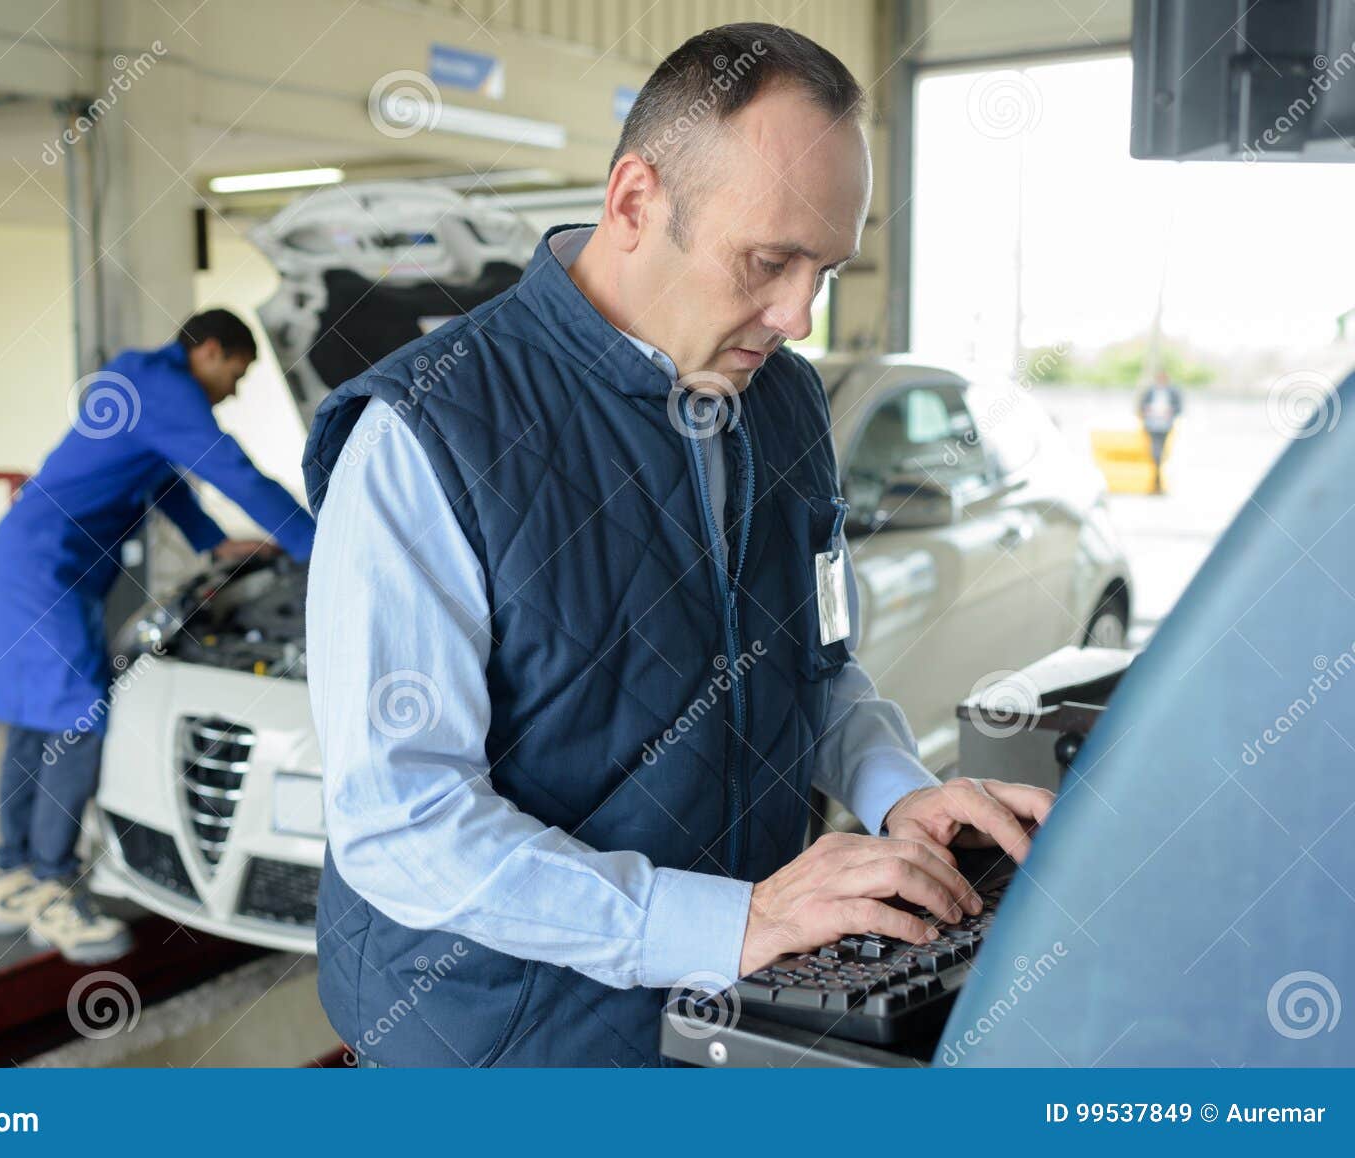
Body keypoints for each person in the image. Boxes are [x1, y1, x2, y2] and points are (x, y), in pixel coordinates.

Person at [302, 23, 1054, 1066]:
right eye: (768, 260)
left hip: (723, 1016)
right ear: (633, 203)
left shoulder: (781, 401)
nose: (796, 312)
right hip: (495, 1046)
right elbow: (404, 822)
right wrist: (731, 924)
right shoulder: (427, 432)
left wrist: (897, 791)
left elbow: (816, 666)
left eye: (824, 269)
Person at [0, 309, 314, 963]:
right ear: (209, 351)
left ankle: (12, 878)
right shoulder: (166, 390)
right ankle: (50, 888)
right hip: (48, 572)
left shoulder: (141, 382)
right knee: (77, 720)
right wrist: (319, 547)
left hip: (28, 556)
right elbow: (235, 471)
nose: (233, 391)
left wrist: (213, 543)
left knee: (34, 724)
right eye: (235, 375)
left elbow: (164, 479)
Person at [1138, 370, 1183, 493]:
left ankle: (1158, 483)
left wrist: (1170, 411)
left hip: (1165, 426)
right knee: (1155, 454)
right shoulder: (1150, 392)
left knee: (1161, 455)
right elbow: (1140, 406)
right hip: (1152, 425)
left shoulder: (1173, 392)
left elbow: (1179, 408)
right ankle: (1156, 483)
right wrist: (1146, 410)